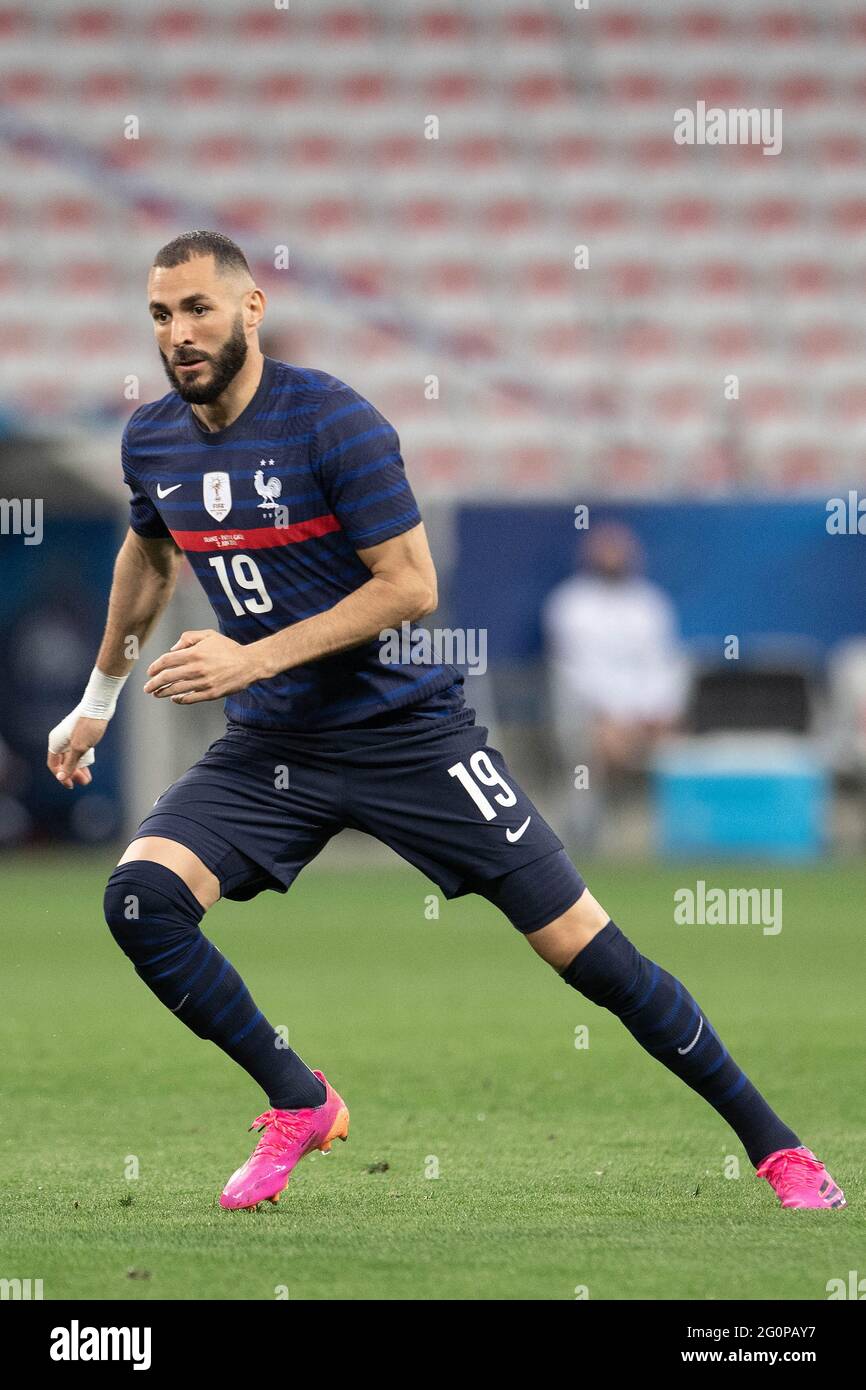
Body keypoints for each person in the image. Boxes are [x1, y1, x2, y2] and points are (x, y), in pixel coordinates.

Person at [47, 231, 844, 1213]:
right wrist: (95, 701)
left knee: (591, 956)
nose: (179, 332)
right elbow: (149, 554)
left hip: (404, 734)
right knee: (138, 902)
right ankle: (298, 1099)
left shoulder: (333, 423)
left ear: (250, 310)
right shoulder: (152, 438)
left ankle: (777, 1149)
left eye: (199, 308)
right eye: (161, 314)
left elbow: (410, 586)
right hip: (274, 745)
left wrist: (250, 654)